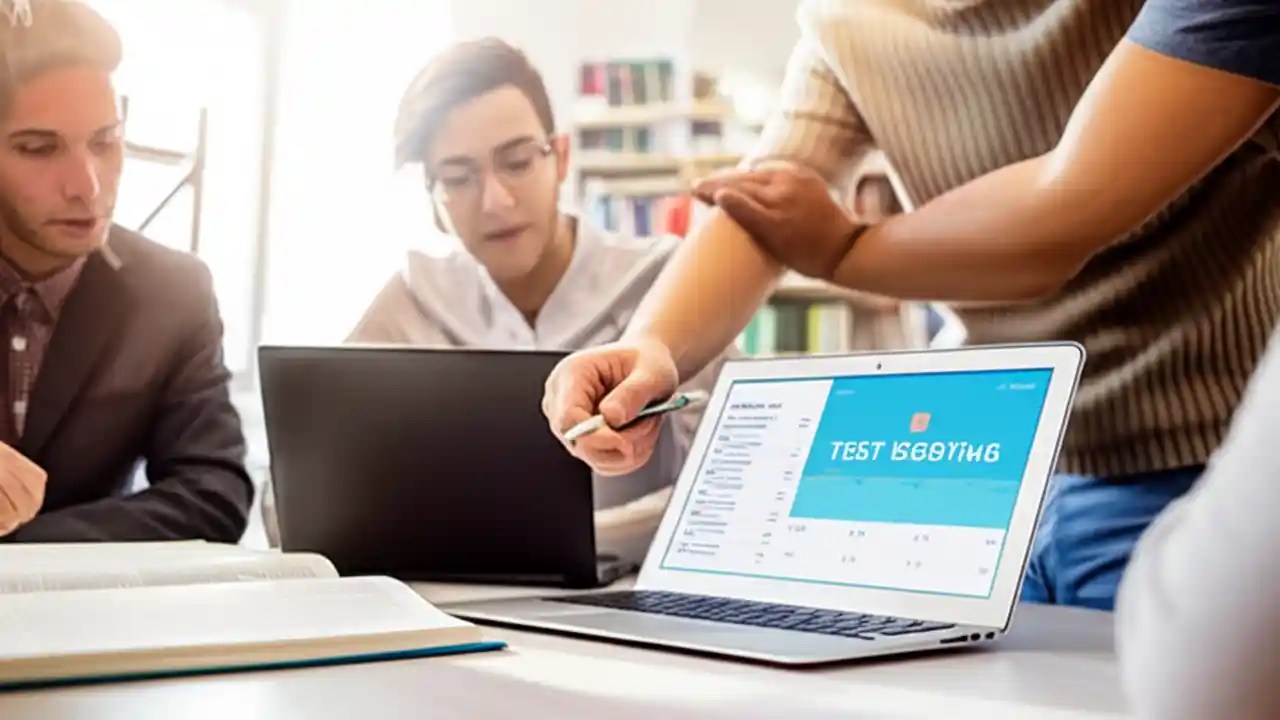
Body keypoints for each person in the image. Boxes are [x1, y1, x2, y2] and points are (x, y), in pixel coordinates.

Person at [542, 0, 1280, 610]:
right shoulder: (848, 24)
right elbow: (761, 204)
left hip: (1198, 466)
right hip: (989, 474)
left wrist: (843, 250)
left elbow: (1064, 214)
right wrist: (652, 348)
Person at [348, 38, 731, 559]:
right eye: (459, 178)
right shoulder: (413, 299)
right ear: (433, 197)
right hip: (452, 603)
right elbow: (303, 502)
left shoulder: (666, 287)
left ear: (562, 158)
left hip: (633, 596)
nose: (495, 200)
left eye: (518, 161)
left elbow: (733, 487)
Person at [0, 0, 252, 543]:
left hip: (92, 612)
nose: (87, 186)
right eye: (40, 148)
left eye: (105, 142)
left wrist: (28, 549)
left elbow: (214, 492)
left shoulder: (174, 293)